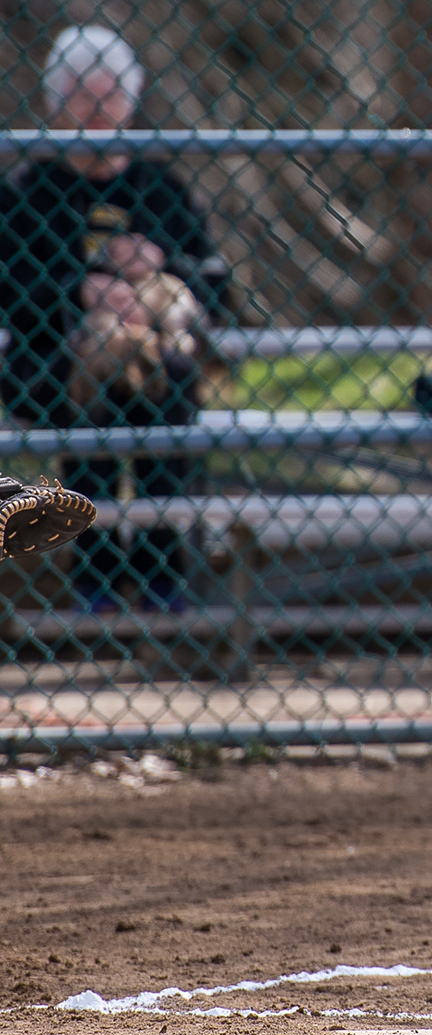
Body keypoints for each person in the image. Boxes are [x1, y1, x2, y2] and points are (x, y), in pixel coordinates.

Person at [0, 26, 218, 613]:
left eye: (109, 100)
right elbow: (12, 291)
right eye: (82, 100)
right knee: (94, 385)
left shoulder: (161, 189)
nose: (98, 115)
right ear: (54, 106)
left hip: (157, 361)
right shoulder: (26, 194)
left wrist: (159, 266)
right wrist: (83, 293)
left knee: (164, 377)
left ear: (130, 103)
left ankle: (159, 576)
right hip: (55, 361)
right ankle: (94, 575)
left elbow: (213, 283)